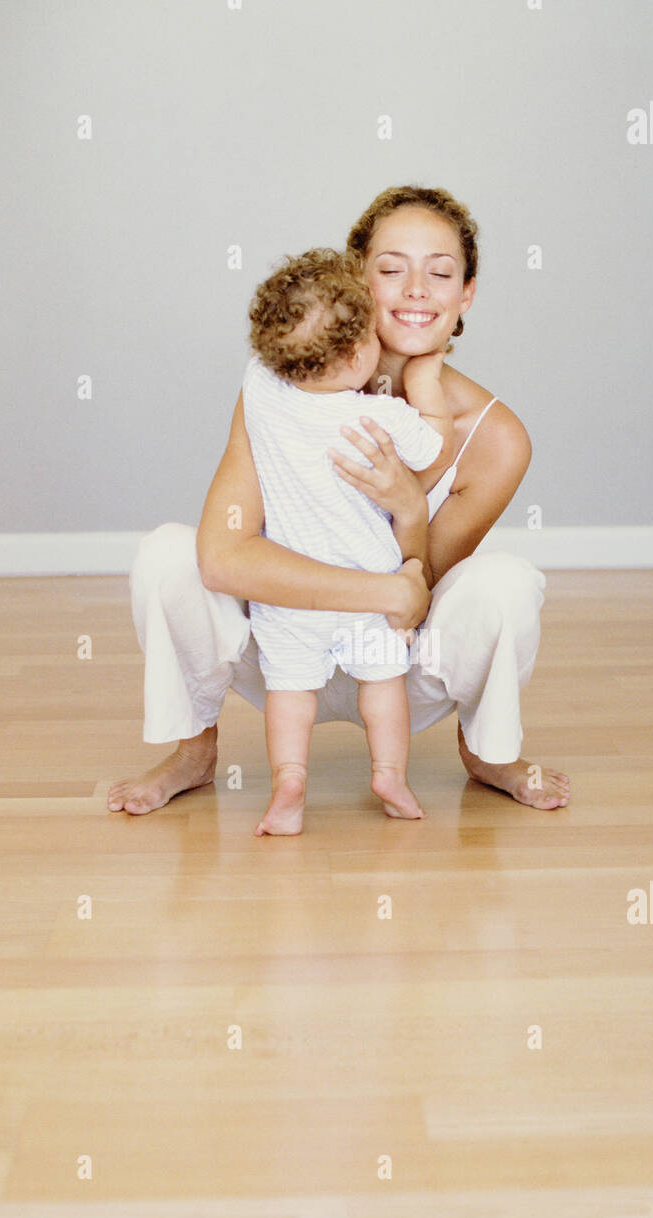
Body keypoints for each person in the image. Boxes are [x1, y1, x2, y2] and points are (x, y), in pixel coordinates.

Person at [107, 186, 570, 816]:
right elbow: (221, 560)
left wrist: (409, 507)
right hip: (282, 648)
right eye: (390, 269)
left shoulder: (498, 438)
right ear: (356, 279)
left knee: (508, 580)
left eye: (439, 272)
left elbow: (421, 596)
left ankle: (486, 752)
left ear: (466, 294)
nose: (415, 290)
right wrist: (383, 591)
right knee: (167, 554)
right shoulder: (277, 385)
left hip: (396, 667)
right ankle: (193, 752)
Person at [244, 247, 452, 833]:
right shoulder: (376, 420)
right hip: (373, 592)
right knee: (382, 686)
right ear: (361, 351)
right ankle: (389, 775)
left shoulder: (263, 391)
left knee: (290, 695)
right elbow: (434, 445)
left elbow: (276, 353)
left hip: (291, 596)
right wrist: (423, 380)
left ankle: (289, 782)